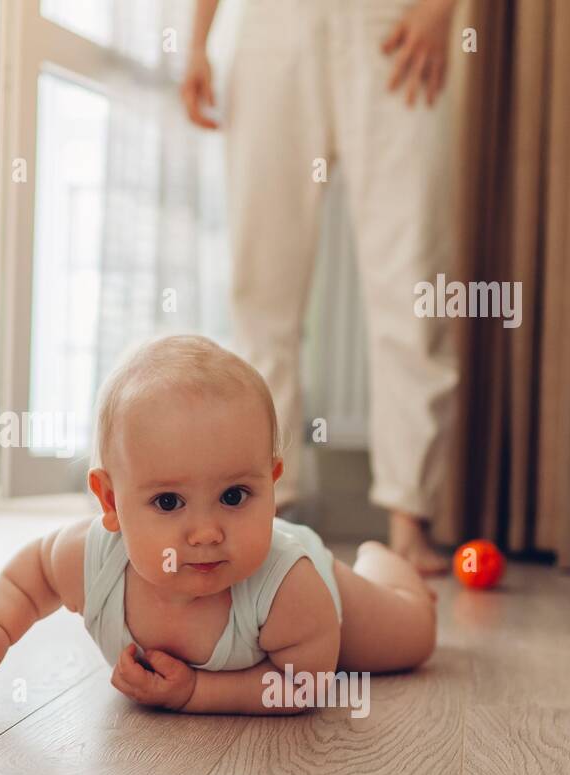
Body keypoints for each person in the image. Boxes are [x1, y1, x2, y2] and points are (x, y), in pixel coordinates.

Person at [0, 336, 436, 714]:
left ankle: (385, 566)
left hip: (324, 605)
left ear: (272, 486)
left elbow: (304, 684)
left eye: (234, 496)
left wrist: (197, 693)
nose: (206, 532)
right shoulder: (91, 558)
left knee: (413, 639)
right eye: (168, 502)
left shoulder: (289, 587)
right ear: (110, 501)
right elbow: (33, 577)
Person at [181, 0, 460, 575]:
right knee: (263, 290)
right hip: (271, 28)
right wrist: (196, 42)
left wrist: (439, 10)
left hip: (391, 25)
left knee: (414, 282)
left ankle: (409, 520)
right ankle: (266, 508)